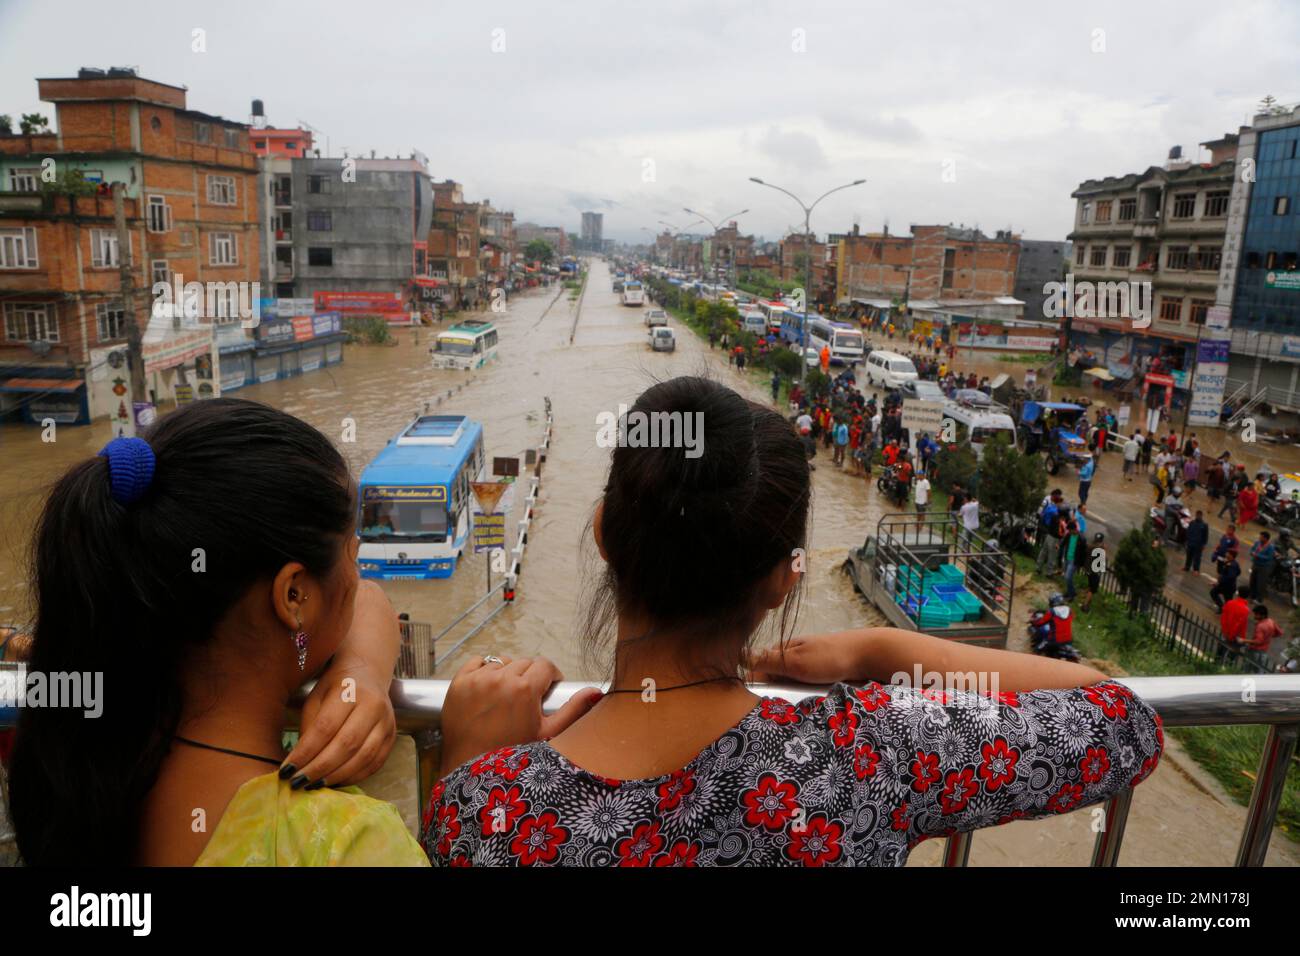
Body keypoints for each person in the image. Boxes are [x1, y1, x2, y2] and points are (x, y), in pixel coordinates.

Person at [421, 376, 1164, 867]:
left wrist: (469, 769)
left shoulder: (487, 808)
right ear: (783, 579)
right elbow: (1114, 714)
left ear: (603, 534)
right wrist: (873, 648)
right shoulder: (869, 755)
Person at [8, 399, 595, 866]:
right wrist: (472, 773)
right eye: (352, 554)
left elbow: (366, 602)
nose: (361, 572)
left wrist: (360, 672)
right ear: (293, 596)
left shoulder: (86, 764)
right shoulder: (343, 845)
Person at [1218, 586, 1252, 663]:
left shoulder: (1229, 603)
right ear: (1247, 596)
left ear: (1238, 593)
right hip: (1236, 636)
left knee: (1220, 652)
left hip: (1225, 633)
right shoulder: (1245, 610)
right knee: (1231, 657)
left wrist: (1225, 631)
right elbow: (1239, 625)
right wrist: (1232, 636)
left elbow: (1223, 618)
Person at [1248, 531, 1277, 601]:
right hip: (1255, 564)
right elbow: (1252, 549)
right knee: (1252, 581)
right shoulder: (1257, 543)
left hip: (1263, 567)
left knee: (1260, 584)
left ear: (1266, 539)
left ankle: (1259, 599)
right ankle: (1252, 595)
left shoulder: (1270, 547)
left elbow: (1269, 557)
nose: (1259, 538)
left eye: (1261, 537)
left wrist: (1257, 555)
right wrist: (1252, 553)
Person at [1081, 532, 1105, 613]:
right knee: (1092, 589)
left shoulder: (1090, 547)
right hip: (1094, 571)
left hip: (1088, 570)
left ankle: (1083, 596)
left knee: (1090, 585)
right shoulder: (1101, 549)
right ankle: (1085, 605)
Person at [1060, 520, 1083, 600]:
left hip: (1074, 561)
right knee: (1067, 577)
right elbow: (1063, 542)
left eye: (1070, 530)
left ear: (1074, 529)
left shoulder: (1081, 538)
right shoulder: (1069, 535)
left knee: (1068, 577)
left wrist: (1080, 564)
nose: (1069, 532)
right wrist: (1059, 546)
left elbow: (1083, 553)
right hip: (1067, 558)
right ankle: (1070, 592)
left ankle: (1072, 594)